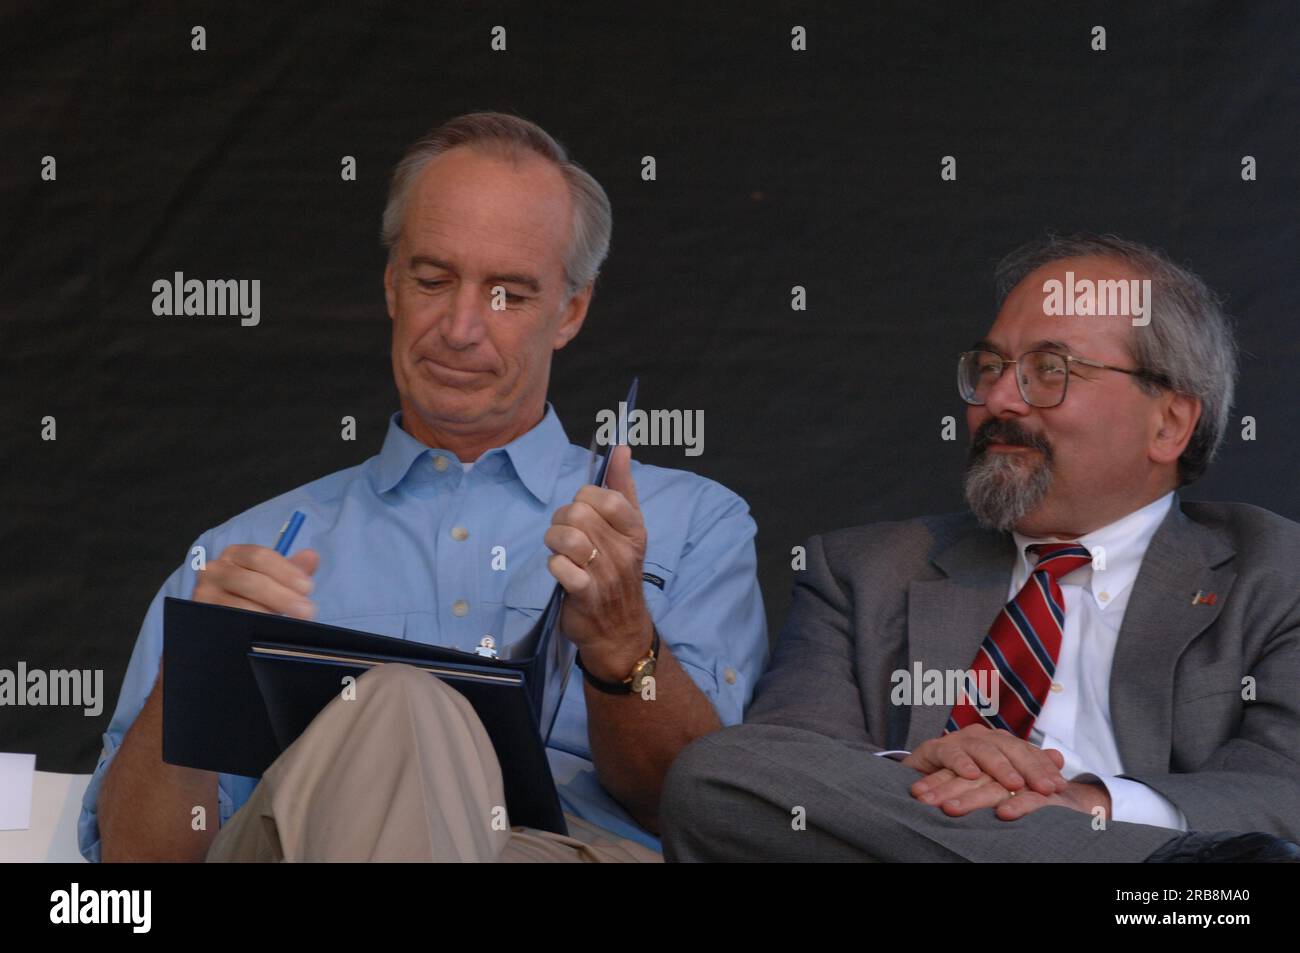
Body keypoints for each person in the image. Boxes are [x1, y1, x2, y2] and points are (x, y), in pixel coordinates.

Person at [79, 111, 767, 862]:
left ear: (571, 310)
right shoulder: (240, 556)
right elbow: (137, 869)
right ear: (391, 285)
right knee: (401, 705)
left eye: (507, 294)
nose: (462, 326)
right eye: (433, 279)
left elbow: (709, 822)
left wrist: (623, 642)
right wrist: (194, 678)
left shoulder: (690, 521)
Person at [661, 233, 1300, 862]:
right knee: (718, 771)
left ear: (1170, 424)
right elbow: (780, 769)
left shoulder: (1274, 575)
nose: (996, 400)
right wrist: (912, 769)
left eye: (1049, 371)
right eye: (990, 367)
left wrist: (1093, 806)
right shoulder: (865, 571)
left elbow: (1282, 789)